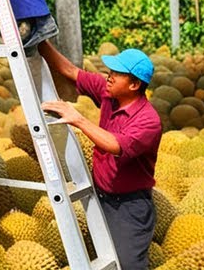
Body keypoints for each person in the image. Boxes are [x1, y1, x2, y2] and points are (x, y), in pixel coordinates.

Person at [37, 40, 161, 270]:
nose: (109, 76)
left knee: (128, 266)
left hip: (129, 207)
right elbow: (71, 71)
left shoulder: (148, 121)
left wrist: (78, 119)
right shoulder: (109, 93)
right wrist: (39, 42)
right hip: (99, 197)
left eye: (117, 73)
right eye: (111, 71)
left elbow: (116, 145)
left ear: (134, 84)